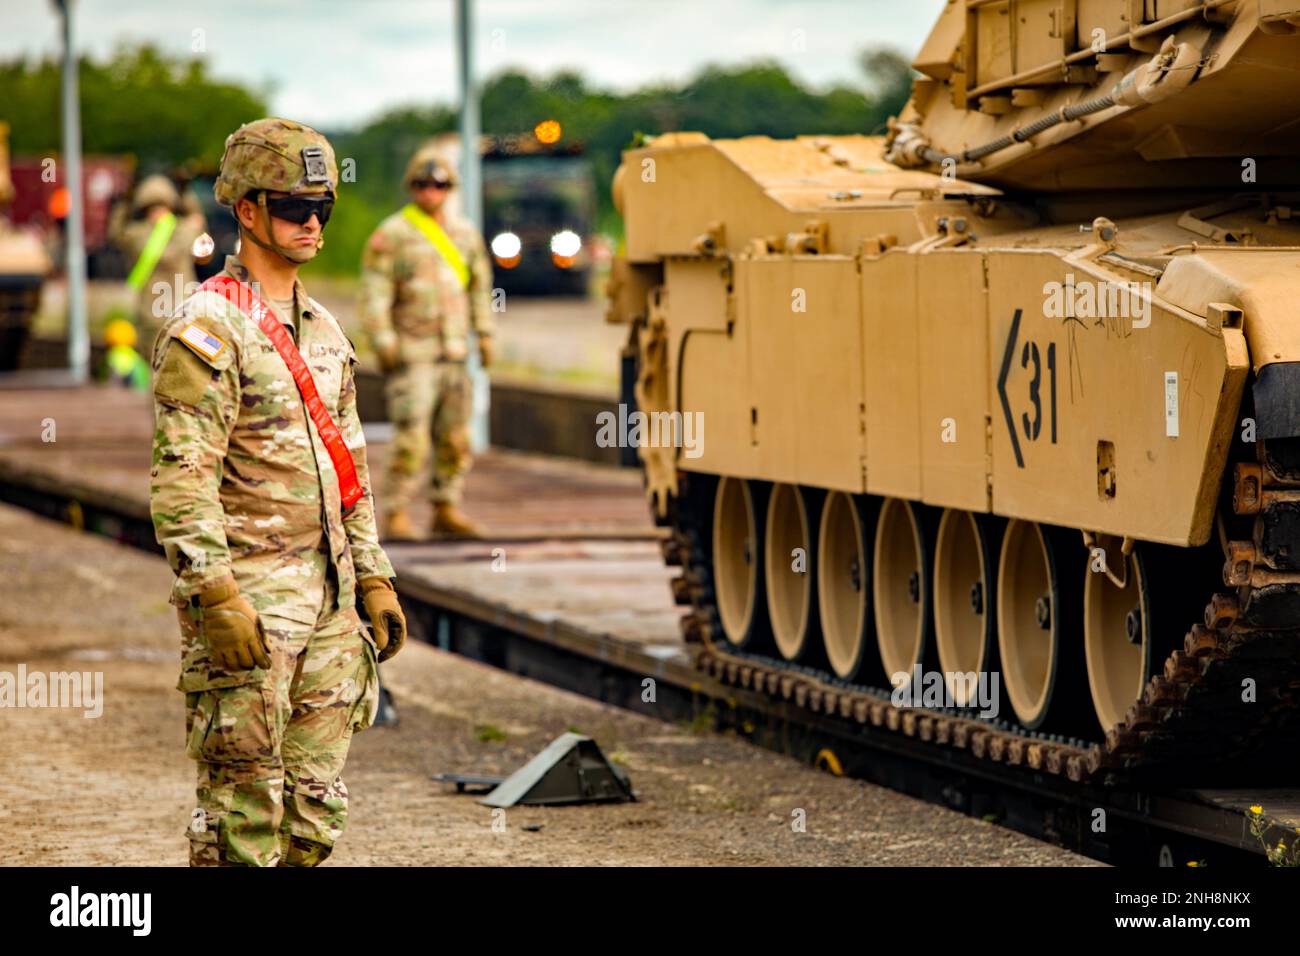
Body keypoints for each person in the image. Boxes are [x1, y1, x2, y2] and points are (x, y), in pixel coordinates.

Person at [149, 117, 407, 867]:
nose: (313, 223)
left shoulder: (324, 330)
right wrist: (216, 594)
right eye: (295, 208)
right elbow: (181, 475)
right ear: (248, 210)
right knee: (242, 817)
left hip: (329, 605)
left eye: (323, 208)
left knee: (313, 817)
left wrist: (375, 577)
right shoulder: (208, 329)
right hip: (252, 606)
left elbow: (349, 471)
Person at [360, 143, 495, 539]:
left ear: (449, 188)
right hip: (414, 353)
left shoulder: (465, 235)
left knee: (456, 437)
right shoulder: (393, 235)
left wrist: (484, 332)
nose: (430, 192)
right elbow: (375, 292)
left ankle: (445, 506)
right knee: (411, 437)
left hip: (455, 352)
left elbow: (479, 288)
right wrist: (383, 341)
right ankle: (397, 511)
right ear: (411, 188)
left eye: (438, 185)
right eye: (422, 184)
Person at [112, 173, 209, 355]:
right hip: (168, 310)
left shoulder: (139, 233)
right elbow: (198, 223)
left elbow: (117, 232)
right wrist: (187, 197)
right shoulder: (183, 229)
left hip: (166, 310)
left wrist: (124, 203)